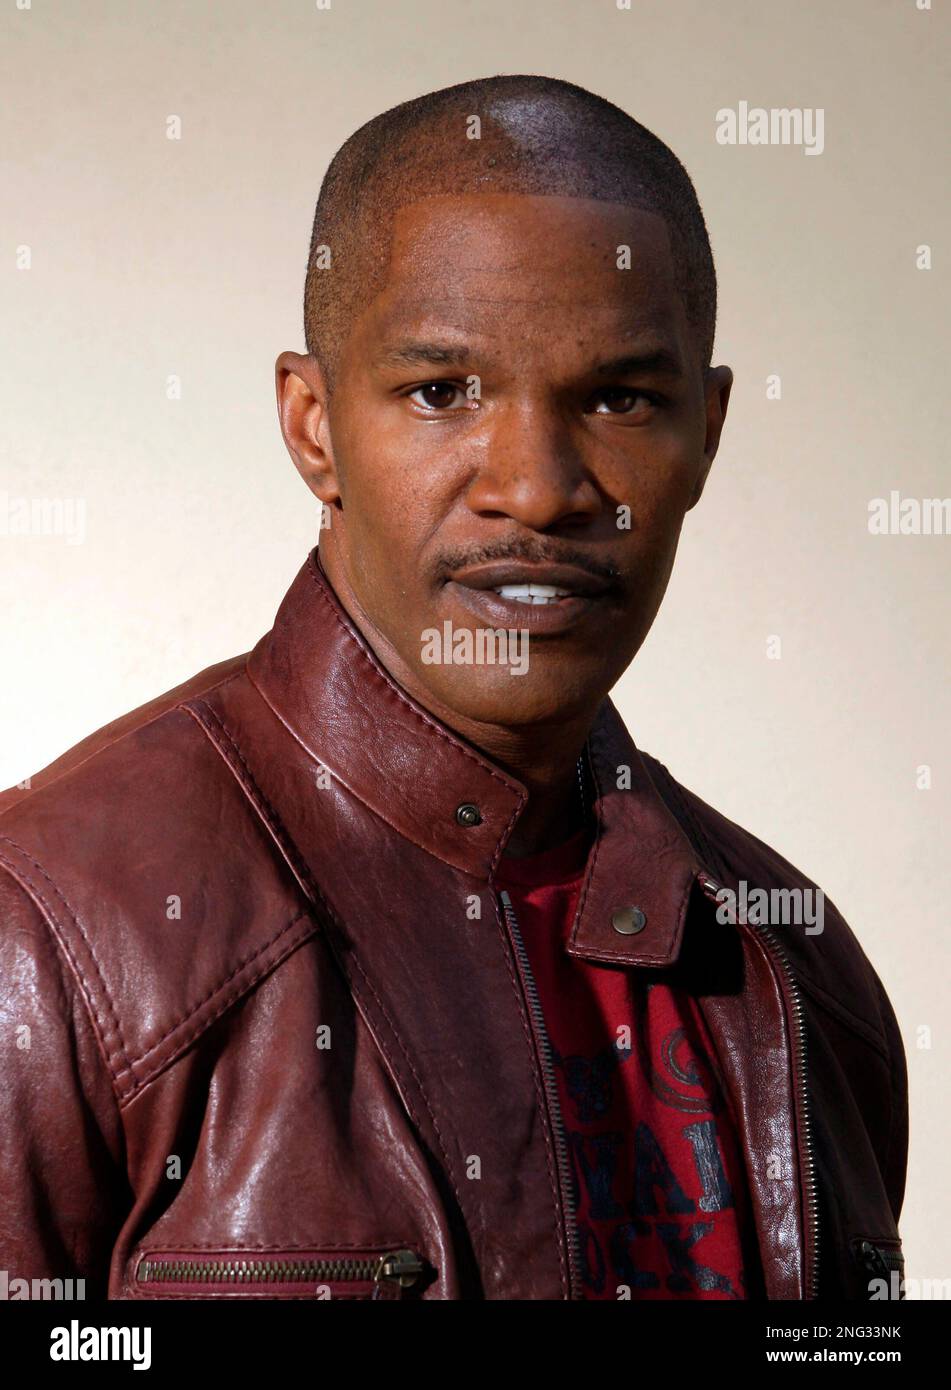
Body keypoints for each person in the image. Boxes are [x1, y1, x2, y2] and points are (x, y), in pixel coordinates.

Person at [0, 74, 907, 1301]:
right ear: (313, 426)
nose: (537, 490)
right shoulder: (50, 930)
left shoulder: (798, 975)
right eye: (442, 393)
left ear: (706, 431)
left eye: (621, 397)